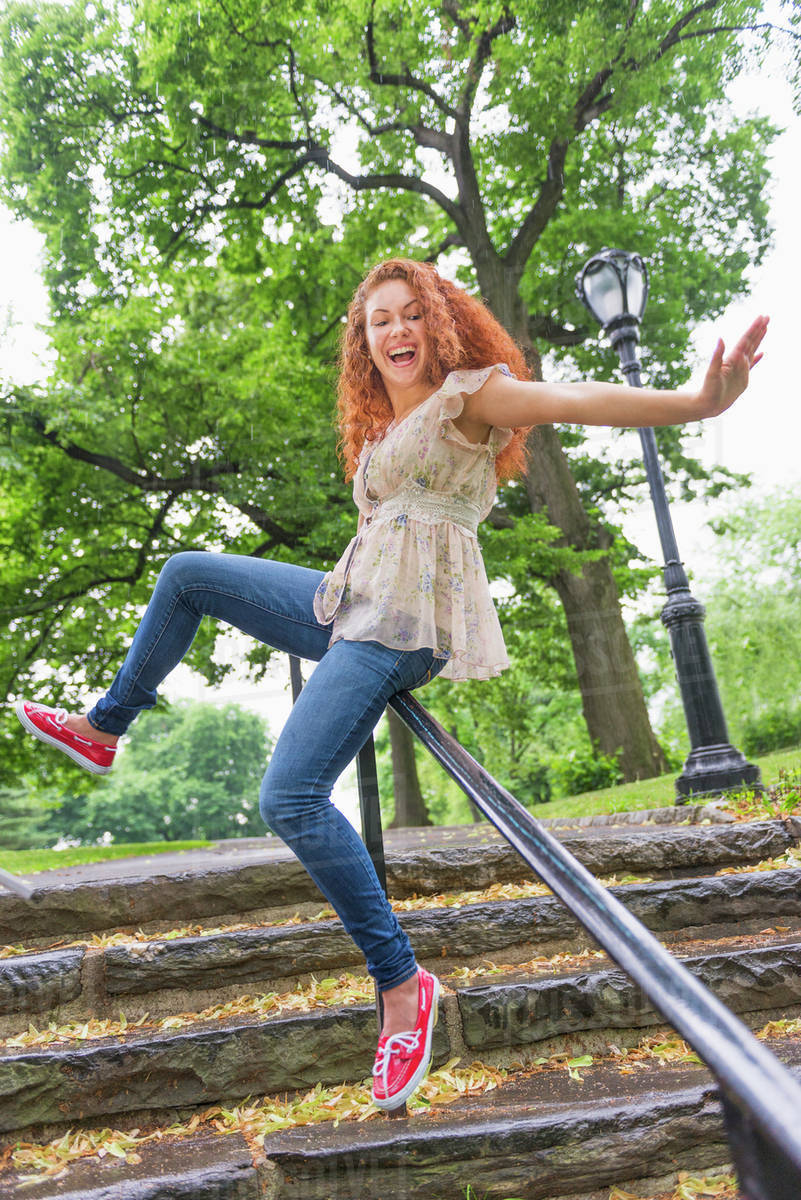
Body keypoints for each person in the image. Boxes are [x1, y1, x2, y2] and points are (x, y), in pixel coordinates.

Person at [15, 257, 767, 1111]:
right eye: (380, 322)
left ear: (438, 325)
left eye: (412, 315)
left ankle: (403, 985)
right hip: (348, 601)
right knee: (188, 572)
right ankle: (106, 726)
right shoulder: (377, 431)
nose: (397, 332)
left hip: (404, 623)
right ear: (362, 343)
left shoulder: (472, 397)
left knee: (290, 796)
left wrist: (698, 403)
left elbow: (578, 398)